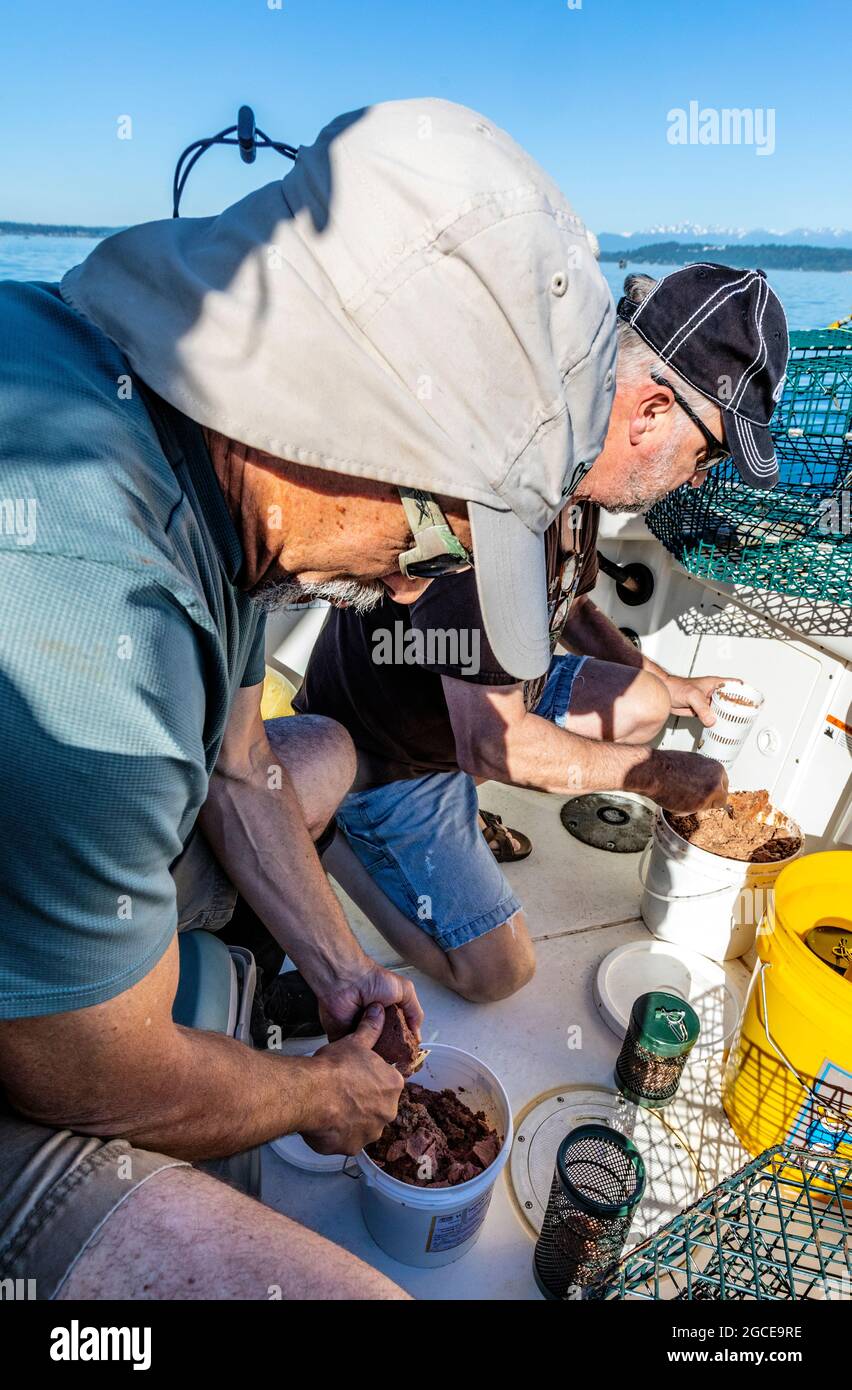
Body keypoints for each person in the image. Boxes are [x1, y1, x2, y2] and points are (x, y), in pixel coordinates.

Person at [0, 99, 617, 1299]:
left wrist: (337, 970)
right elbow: (76, 1070)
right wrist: (317, 1094)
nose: (405, 584)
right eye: (436, 532)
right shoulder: (91, 600)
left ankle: (218, 979)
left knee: (315, 748)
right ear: (327, 403)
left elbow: (239, 763)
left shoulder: (169, 441)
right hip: (47, 1040)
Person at [299, 264, 790, 1006]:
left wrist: (671, 685)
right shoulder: (503, 496)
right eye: (712, 452)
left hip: (470, 703)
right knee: (500, 976)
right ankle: (331, 840)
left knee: (646, 704)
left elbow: (577, 607)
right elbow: (496, 743)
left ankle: (468, 801)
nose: (698, 479)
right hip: (392, 753)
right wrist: (656, 779)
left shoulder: (577, 465)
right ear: (652, 410)